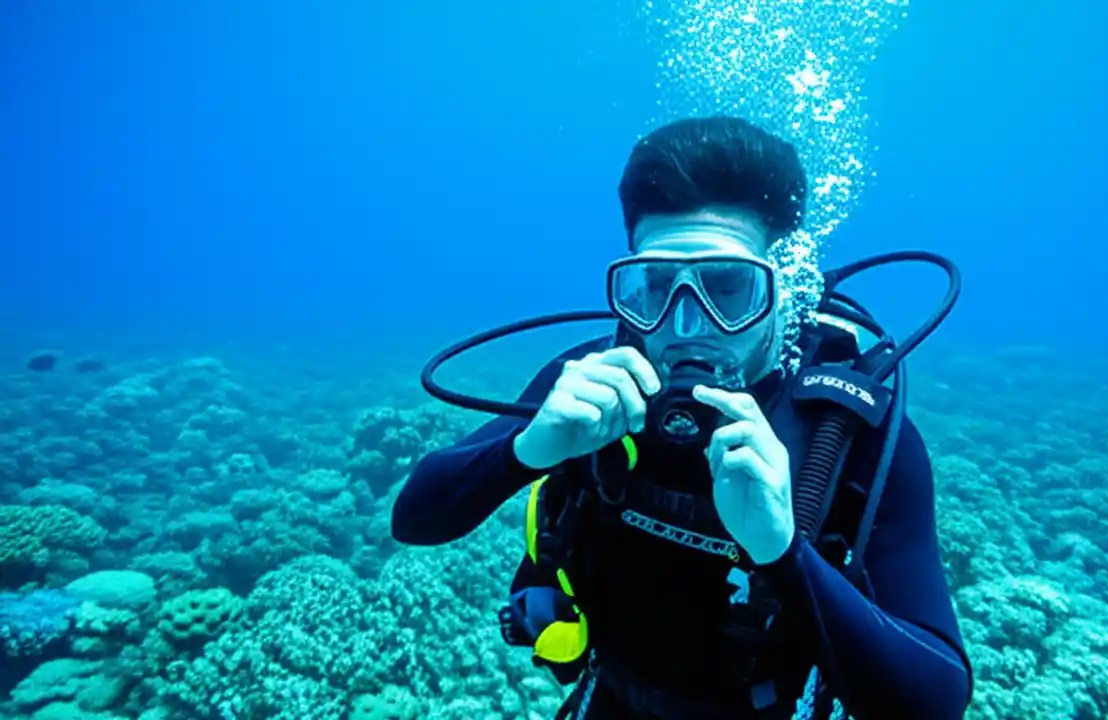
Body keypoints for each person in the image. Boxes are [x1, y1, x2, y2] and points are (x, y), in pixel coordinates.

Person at [391, 116, 973, 719]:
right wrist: (525, 451)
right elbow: (415, 519)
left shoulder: (847, 431)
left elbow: (935, 701)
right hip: (608, 694)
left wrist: (782, 551)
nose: (685, 326)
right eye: (656, 285)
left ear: (783, 286)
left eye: (727, 289)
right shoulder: (593, 382)